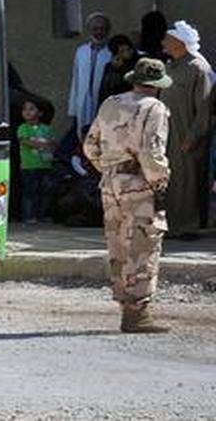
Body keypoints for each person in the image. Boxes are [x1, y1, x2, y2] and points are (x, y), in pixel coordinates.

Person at [83, 57, 172, 333]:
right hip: (138, 183)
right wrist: (159, 181)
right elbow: (151, 152)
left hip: (110, 183)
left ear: (134, 80)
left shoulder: (110, 103)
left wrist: (111, 169)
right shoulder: (154, 108)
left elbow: (90, 145)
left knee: (118, 243)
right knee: (143, 245)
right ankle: (138, 314)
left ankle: (125, 307)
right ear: (157, 86)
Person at [159, 21, 212, 239]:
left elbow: (205, 109)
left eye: (167, 38)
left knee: (188, 182)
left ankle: (188, 227)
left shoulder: (198, 68)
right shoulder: (172, 66)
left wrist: (193, 136)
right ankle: (172, 224)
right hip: (168, 133)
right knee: (172, 180)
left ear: (179, 42)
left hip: (186, 134)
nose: (163, 42)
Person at [67, 12, 113, 139]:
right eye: (95, 28)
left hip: (104, 101)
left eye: (102, 28)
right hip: (84, 100)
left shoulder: (112, 52)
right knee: (83, 136)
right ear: (89, 30)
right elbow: (76, 80)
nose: (99, 32)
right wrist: (73, 108)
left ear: (108, 30)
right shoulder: (81, 51)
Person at [17, 100, 55, 224]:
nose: (27, 112)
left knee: (44, 191)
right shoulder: (23, 128)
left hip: (45, 164)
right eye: (25, 109)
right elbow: (24, 141)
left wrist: (45, 145)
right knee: (29, 192)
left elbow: (53, 143)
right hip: (29, 166)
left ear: (40, 113)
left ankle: (42, 215)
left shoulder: (47, 129)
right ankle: (29, 216)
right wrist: (42, 144)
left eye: (31, 109)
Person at [98, 34, 137, 104]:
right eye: (122, 51)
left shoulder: (140, 63)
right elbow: (105, 91)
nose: (127, 53)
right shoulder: (110, 67)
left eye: (128, 49)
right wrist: (115, 69)